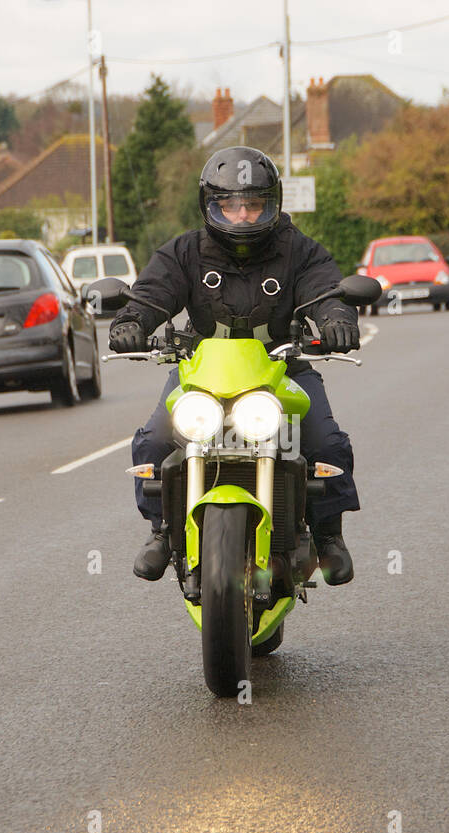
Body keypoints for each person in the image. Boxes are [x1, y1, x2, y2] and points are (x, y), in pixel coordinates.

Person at [109, 146, 361, 585]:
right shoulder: (184, 252)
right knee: (152, 441)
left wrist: (336, 320)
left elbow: (327, 291)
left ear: (272, 204)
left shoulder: (299, 250)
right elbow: (151, 294)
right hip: (201, 371)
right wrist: (131, 321)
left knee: (327, 442)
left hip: (284, 368)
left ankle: (329, 535)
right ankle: (162, 531)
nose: (242, 216)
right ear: (211, 205)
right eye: (230, 206)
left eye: (253, 205)